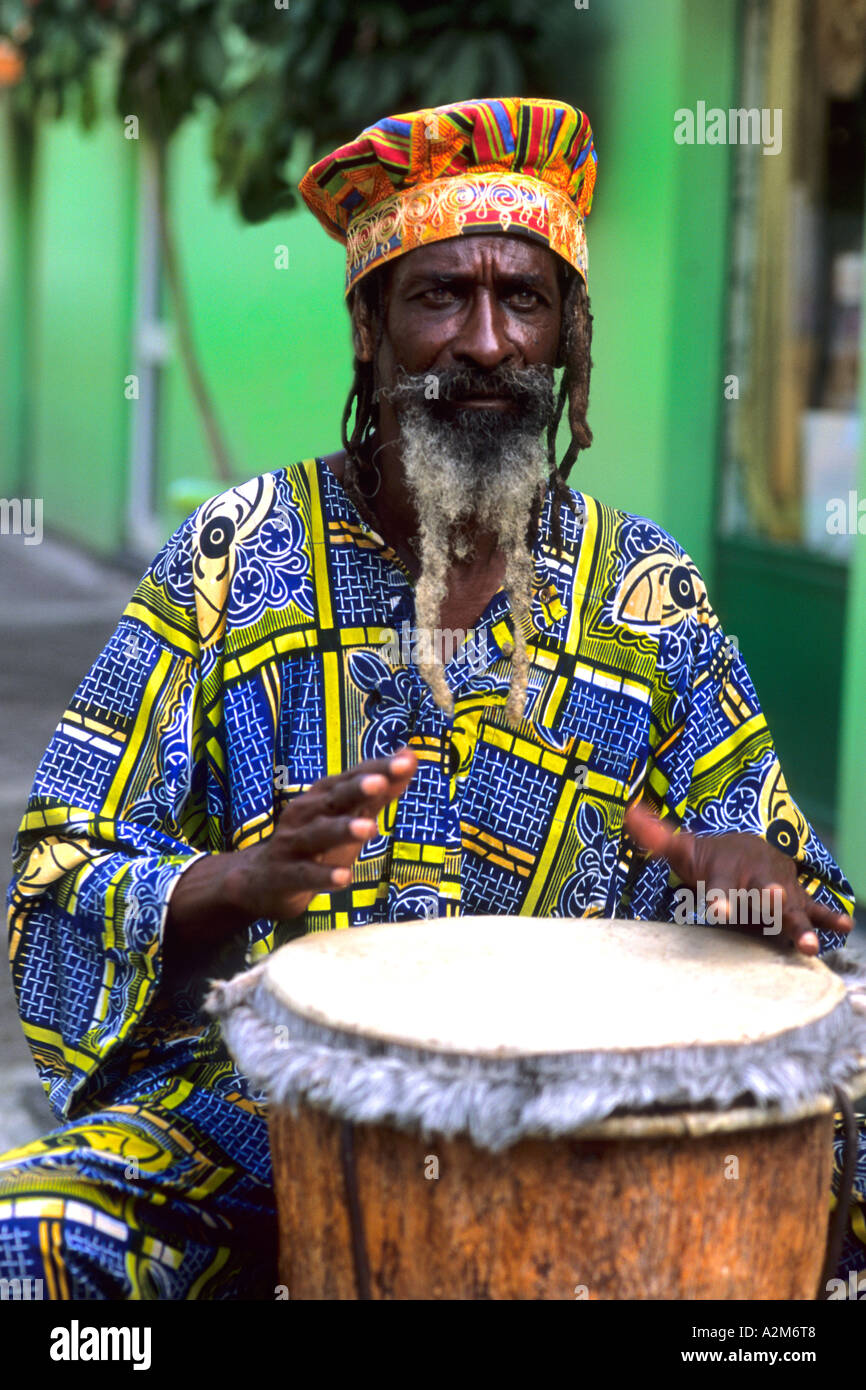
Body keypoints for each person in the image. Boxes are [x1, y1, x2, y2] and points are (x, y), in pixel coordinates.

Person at [2, 97, 863, 1299]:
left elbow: (806, 920)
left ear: (568, 334)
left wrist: (751, 882)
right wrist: (228, 883)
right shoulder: (231, 560)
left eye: (523, 298)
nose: (486, 342)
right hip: (264, 1116)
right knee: (30, 1246)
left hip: (591, 1123)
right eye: (438, 296)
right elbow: (53, 885)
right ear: (367, 326)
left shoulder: (650, 596)